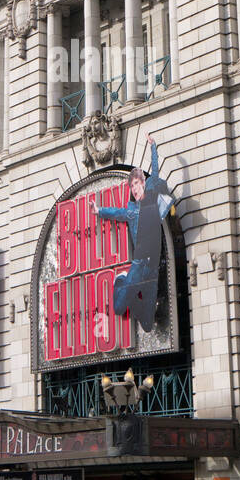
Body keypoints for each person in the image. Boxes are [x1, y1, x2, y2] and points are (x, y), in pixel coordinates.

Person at [97, 135, 174, 332]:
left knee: (147, 325)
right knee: (118, 307)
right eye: (131, 186)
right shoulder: (132, 211)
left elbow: (155, 172)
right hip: (139, 265)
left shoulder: (152, 197)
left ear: (143, 184)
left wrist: (153, 148)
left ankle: (132, 294)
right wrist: (99, 211)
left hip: (153, 269)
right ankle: (122, 280)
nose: (135, 188)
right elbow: (117, 212)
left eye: (137, 184)